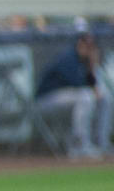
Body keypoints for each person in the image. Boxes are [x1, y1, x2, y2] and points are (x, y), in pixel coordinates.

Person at [35, 31, 112, 159]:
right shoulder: (68, 58)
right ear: (80, 44)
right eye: (87, 46)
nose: (90, 49)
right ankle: (80, 145)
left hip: (69, 100)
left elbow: (93, 86)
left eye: (92, 46)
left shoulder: (86, 61)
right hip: (46, 100)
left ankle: (102, 143)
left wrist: (93, 67)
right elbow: (78, 83)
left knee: (106, 98)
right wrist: (91, 69)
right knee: (86, 96)